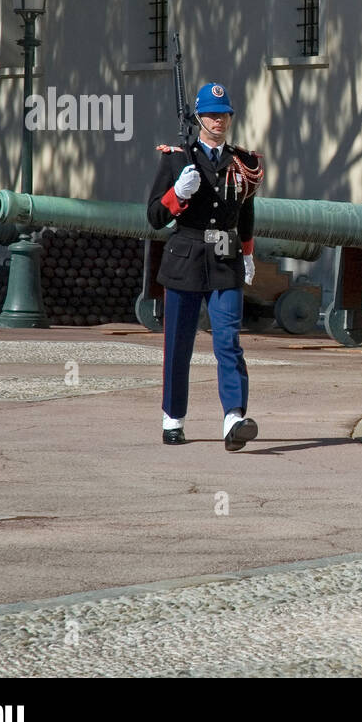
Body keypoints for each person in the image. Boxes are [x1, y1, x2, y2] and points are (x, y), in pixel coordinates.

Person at [146, 81, 264, 450]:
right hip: (185, 258)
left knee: (228, 341)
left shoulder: (243, 162)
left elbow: (245, 212)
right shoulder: (176, 159)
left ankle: (234, 417)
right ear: (198, 118)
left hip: (225, 261)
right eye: (211, 114)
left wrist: (247, 253)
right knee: (179, 344)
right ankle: (173, 417)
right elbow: (153, 217)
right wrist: (177, 193)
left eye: (224, 114)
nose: (218, 120)